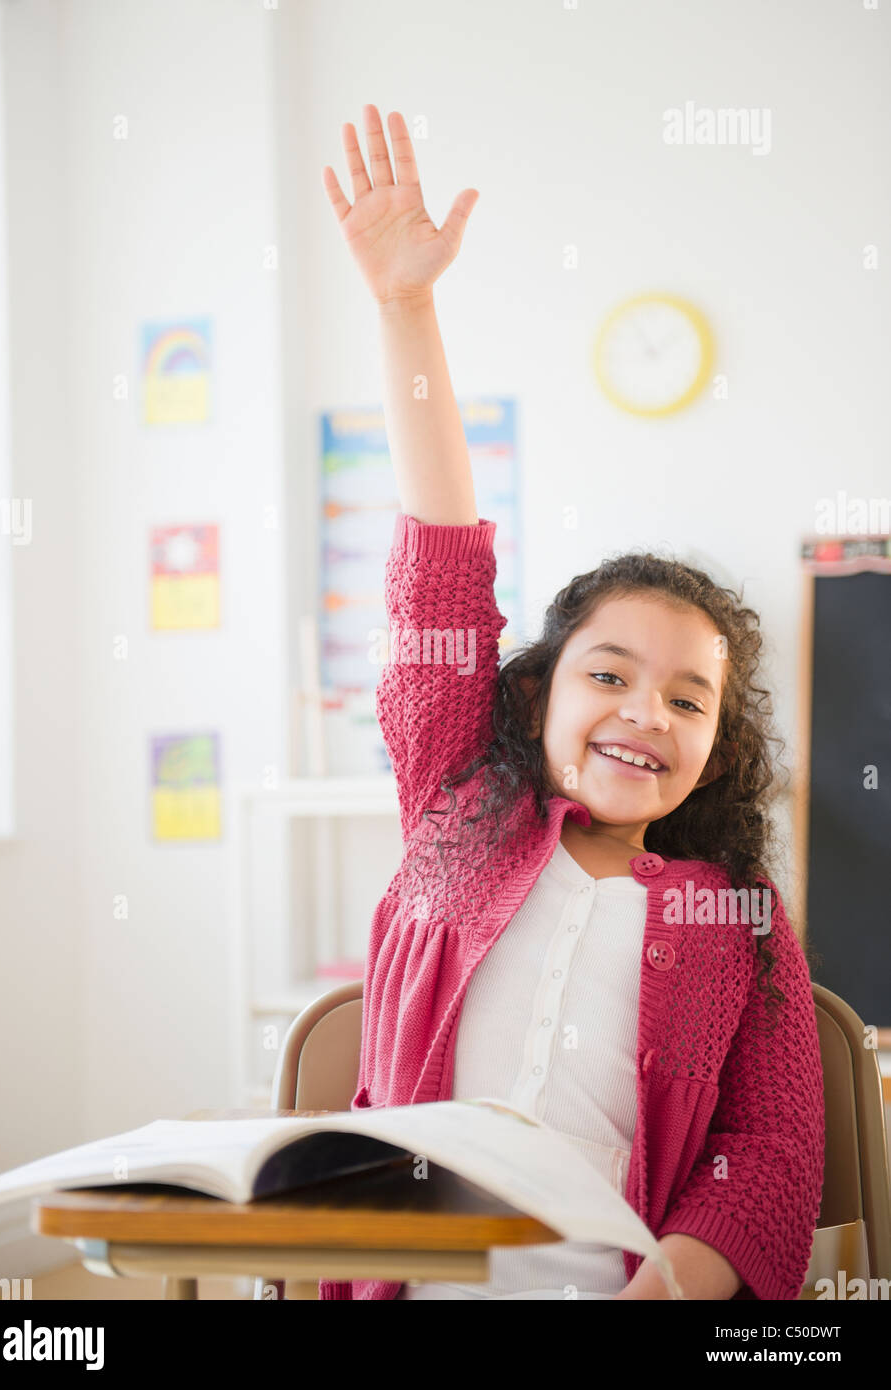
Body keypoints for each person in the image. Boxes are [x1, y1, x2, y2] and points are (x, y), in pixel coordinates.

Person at [316, 105, 824, 1301]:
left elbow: (771, 1156)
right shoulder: (454, 809)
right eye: (608, 675)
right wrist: (405, 308)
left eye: (688, 700)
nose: (645, 712)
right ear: (535, 693)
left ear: (717, 746)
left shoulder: (736, 918)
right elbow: (440, 558)